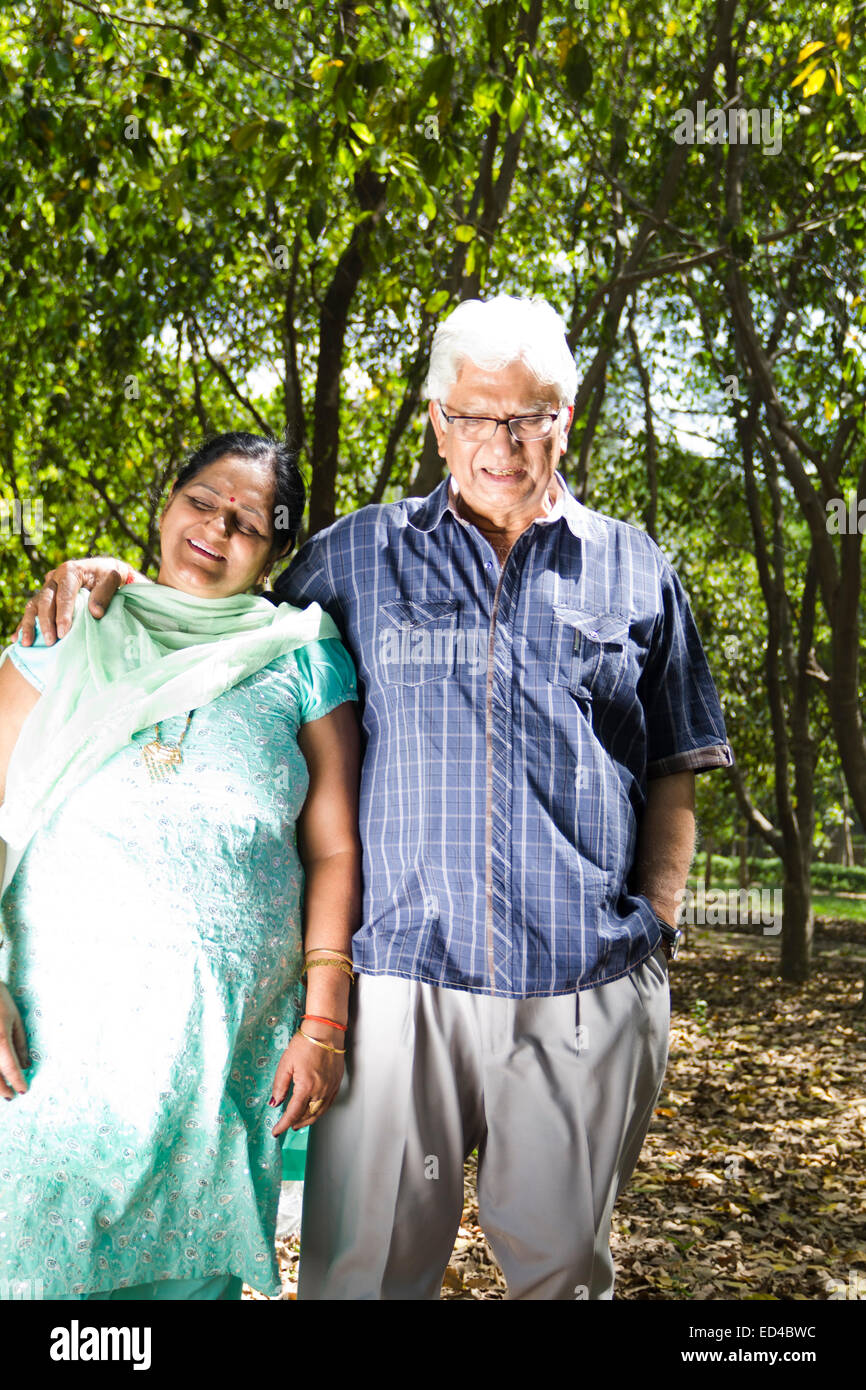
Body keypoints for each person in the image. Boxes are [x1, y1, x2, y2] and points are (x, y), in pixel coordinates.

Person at [18, 295, 732, 1301]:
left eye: (530, 415)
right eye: (477, 415)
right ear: (439, 418)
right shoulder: (351, 556)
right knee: (360, 1274)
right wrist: (109, 578)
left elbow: (673, 768)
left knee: (564, 1269)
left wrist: (653, 931)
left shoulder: (636, 568)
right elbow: (220, 628)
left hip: (585, 984)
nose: (503, 441)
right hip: (399, 984)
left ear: (566, 418)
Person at [0, 432, 361, 1301]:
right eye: (202, 500)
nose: (217, 527)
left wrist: (324, 1024)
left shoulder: (301, 654)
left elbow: (335, 849)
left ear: (276, 550)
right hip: (55, 1049)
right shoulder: (72, 624)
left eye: (248, 520)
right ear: (167, 505)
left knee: (181, 1287)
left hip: (221, 1058)